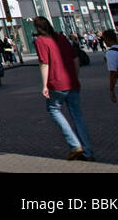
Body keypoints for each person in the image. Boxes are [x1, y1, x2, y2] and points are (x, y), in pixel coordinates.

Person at [34, 17, 93, 161]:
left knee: (53, 109)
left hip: (57, 83)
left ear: (37, 28)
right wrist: (75, 76)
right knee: (77, 116)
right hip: (72, 81)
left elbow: (44, 63)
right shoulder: (62, 38)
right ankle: (87, 150)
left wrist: (44, 85)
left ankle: (74, 144)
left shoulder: (41, 41)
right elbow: (75, 59)